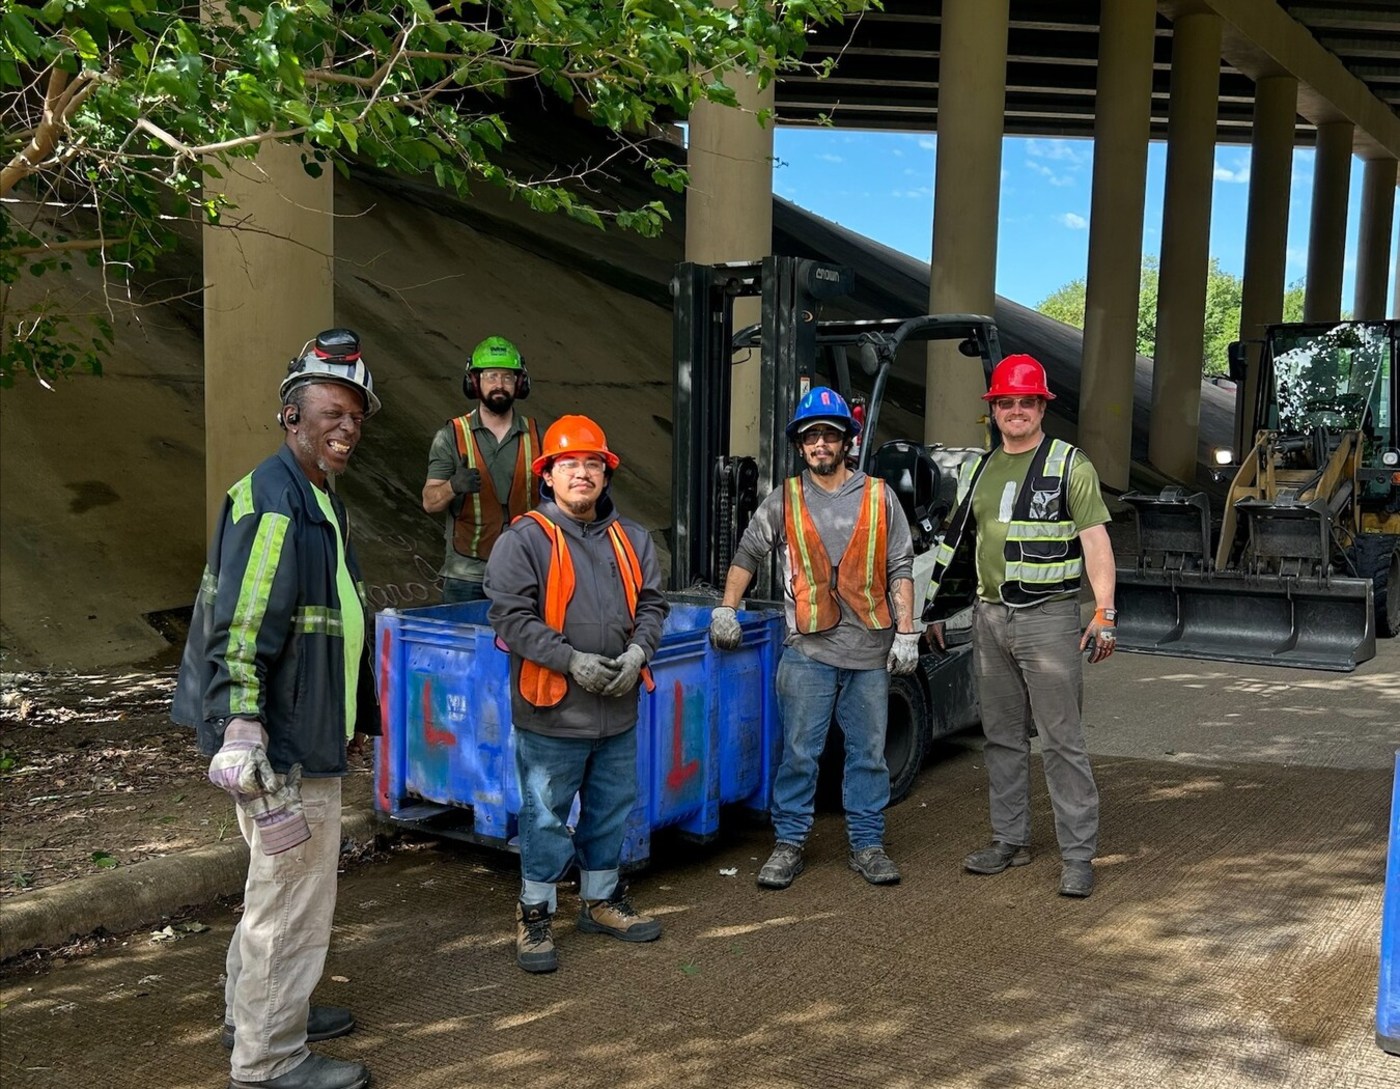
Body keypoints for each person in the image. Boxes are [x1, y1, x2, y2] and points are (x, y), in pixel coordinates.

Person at [172, 329, 380, 1089]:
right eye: (332, 409)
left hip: (299, 728)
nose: (346, 426)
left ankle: (253, 1011)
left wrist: (353, 719)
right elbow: (245, 620)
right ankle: (269, 1057)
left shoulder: (313, 498)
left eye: (356, 415)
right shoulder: (277, 500)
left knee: (275, 886)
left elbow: (322, 623)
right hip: (279, 740)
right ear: (292, 416)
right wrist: (243, 723)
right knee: (290, 902)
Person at [709, 387, 921, 890]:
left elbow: (901, 567)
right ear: (801, 446)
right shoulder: (784, 498)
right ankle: (789, 844)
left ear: (847, 441)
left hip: (870, 652)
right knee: (799, 754)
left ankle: (868, 845)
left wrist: (907, 632)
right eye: (811, 437)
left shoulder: (878, 496)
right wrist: (726, 607)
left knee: (867, 755)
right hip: (806, 651)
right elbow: (747, 554)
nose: (820, 444)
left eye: (830, 435)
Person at [922, 354, 1117, 900]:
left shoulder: (1068, 465)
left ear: (1040, 407)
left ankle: (1078, 856)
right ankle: (1010, 840)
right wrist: (939, 609)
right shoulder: (980, 469)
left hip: (1049, 620)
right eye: (1005, 402)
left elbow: (1095, 541)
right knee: (1002, 737)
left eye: (1024, 402)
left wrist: (1105, 612)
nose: (1015, 411)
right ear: (995, 410)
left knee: (1061, 741)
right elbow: (959, 544)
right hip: (988, 618)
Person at [484, 415, 669, 973]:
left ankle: (600, 901)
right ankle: (535, 914)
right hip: (552, 711)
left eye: (592, 464)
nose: (582, 474)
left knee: (611, 809)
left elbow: (654, 606)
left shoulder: (633, 539)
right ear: (548, 476)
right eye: (569, 464)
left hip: (617, 709)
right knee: (544, 816)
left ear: (606, 474)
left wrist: (639, 653)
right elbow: (509, 618)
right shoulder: (523, 541)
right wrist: (571, 661)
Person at [422, 335, 543, 604]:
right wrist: (453, 486)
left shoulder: (540, 437)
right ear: (474, 382)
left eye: (508, 377)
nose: (499, 385)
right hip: (465, 576)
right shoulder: (450, 436)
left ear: (520, 384)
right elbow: (429, 502)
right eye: (491, 376)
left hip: (525, 572)